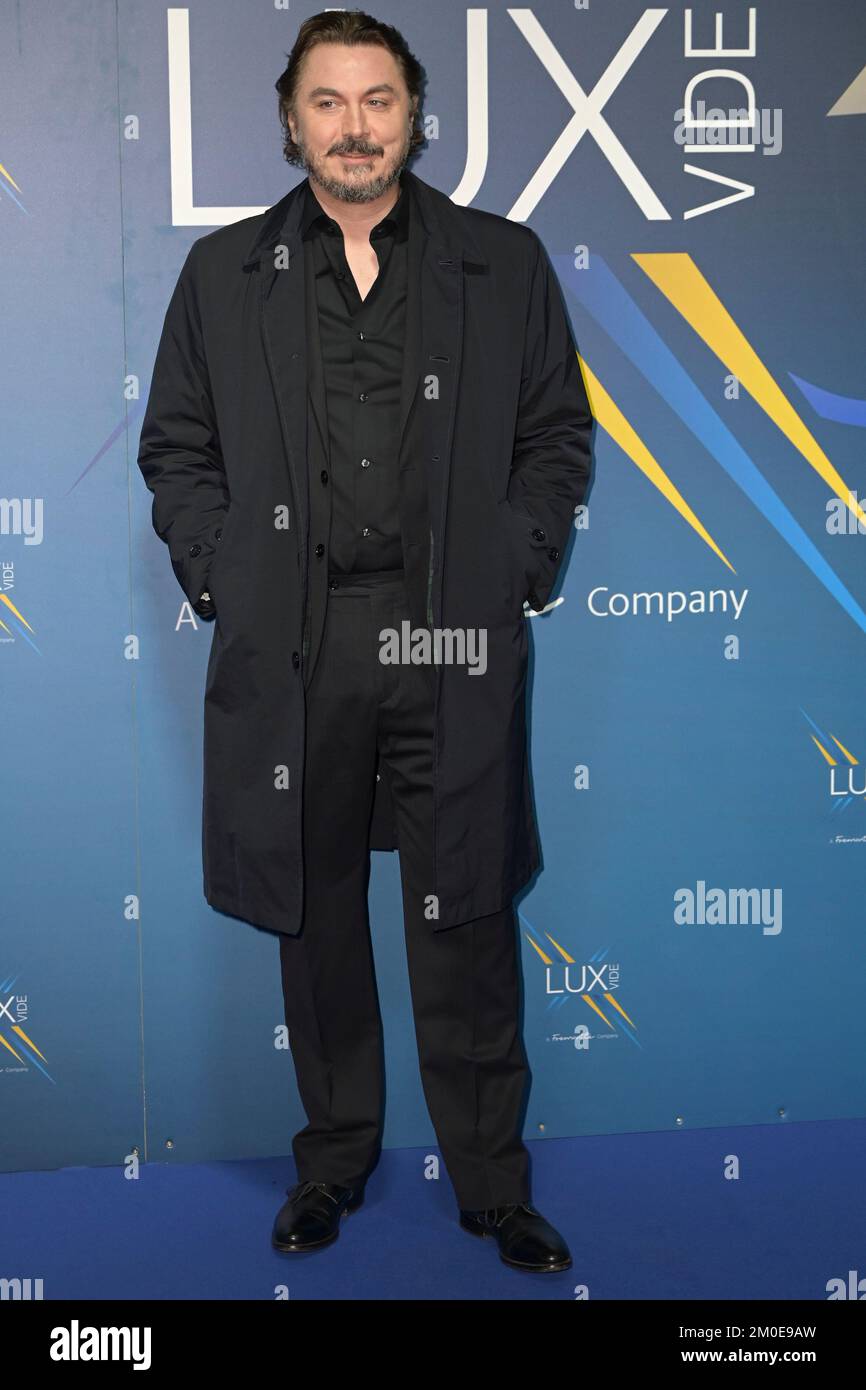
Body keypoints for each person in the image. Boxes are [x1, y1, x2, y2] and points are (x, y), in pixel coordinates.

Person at [137, 9, 594, 1275]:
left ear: (413, 114)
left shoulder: (501, 264)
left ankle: (494, 1187)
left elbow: (556, 435)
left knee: (464, 911)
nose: (354, 125)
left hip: (451, 631)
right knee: (317, 914)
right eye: (328, 102)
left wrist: (519, 562)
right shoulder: (223, 275)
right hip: (299, 640)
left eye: (377, 100)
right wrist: (225, 570)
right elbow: (177, 449)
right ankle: (332, 1165)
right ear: (292, 121)